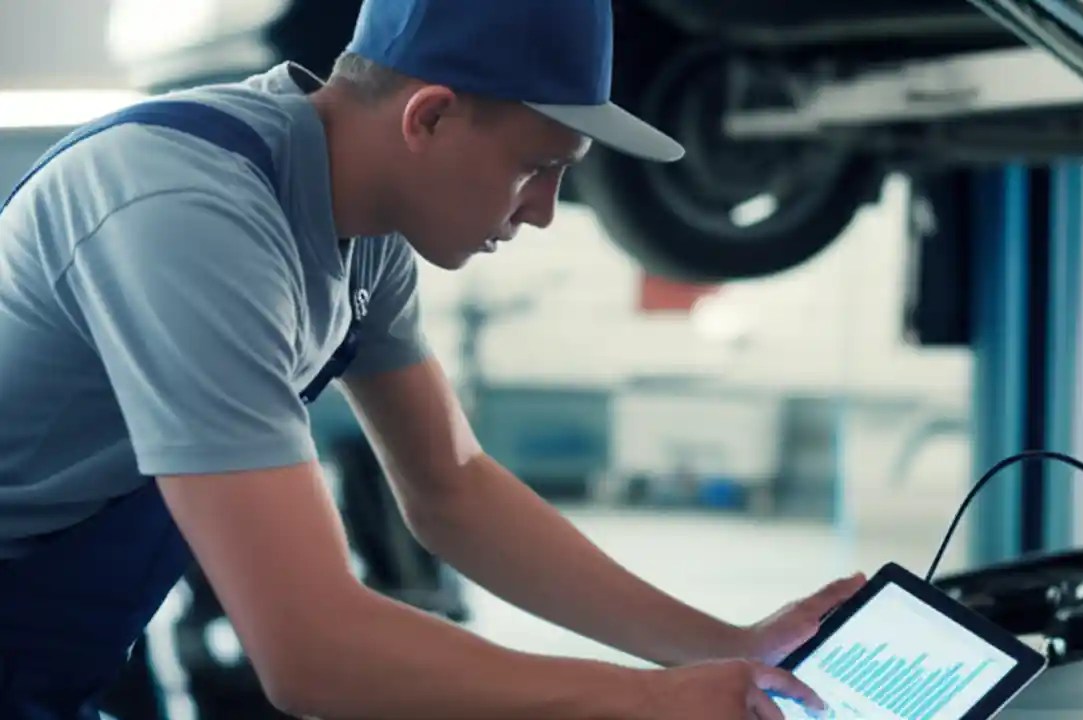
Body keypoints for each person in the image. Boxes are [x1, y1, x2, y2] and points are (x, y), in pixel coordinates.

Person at [0, 0, 867, 717]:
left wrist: (733, 648)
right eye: (538, 168)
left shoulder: (361, 228)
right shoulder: (186, 212)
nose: (544, 214)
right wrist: (645, 701)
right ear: (431, 115)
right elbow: (311, 651)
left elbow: (452, 487)